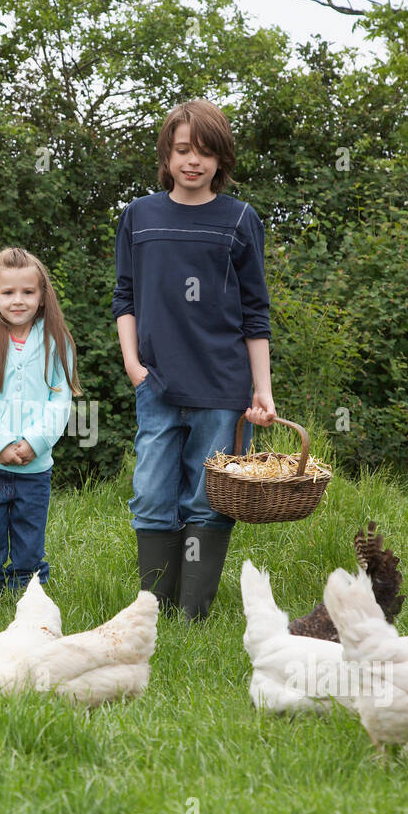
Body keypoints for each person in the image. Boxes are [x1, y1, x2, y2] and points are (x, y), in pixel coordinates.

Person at [112, 99, 277, 621]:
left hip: (223, 389)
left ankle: (192, 618)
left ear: (220, 159)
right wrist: (134, 367)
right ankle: (152, 613)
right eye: (183, 149)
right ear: (166, 153)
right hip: (157, 385)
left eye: (205, 152)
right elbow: (125, 297)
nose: (193, 161)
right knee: (152, 497)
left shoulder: (239, 220)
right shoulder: (139, 216)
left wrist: (261, 389)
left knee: (207, 501)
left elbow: (256, 312)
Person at [0, 248, 80, 596]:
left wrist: (34, 443)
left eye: (28, 292)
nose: (18, 300)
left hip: (35, 467)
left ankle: (29, 597)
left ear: (42, 297)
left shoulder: (55, 339)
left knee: (29, 538)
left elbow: (60, 399)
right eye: (8, 292)